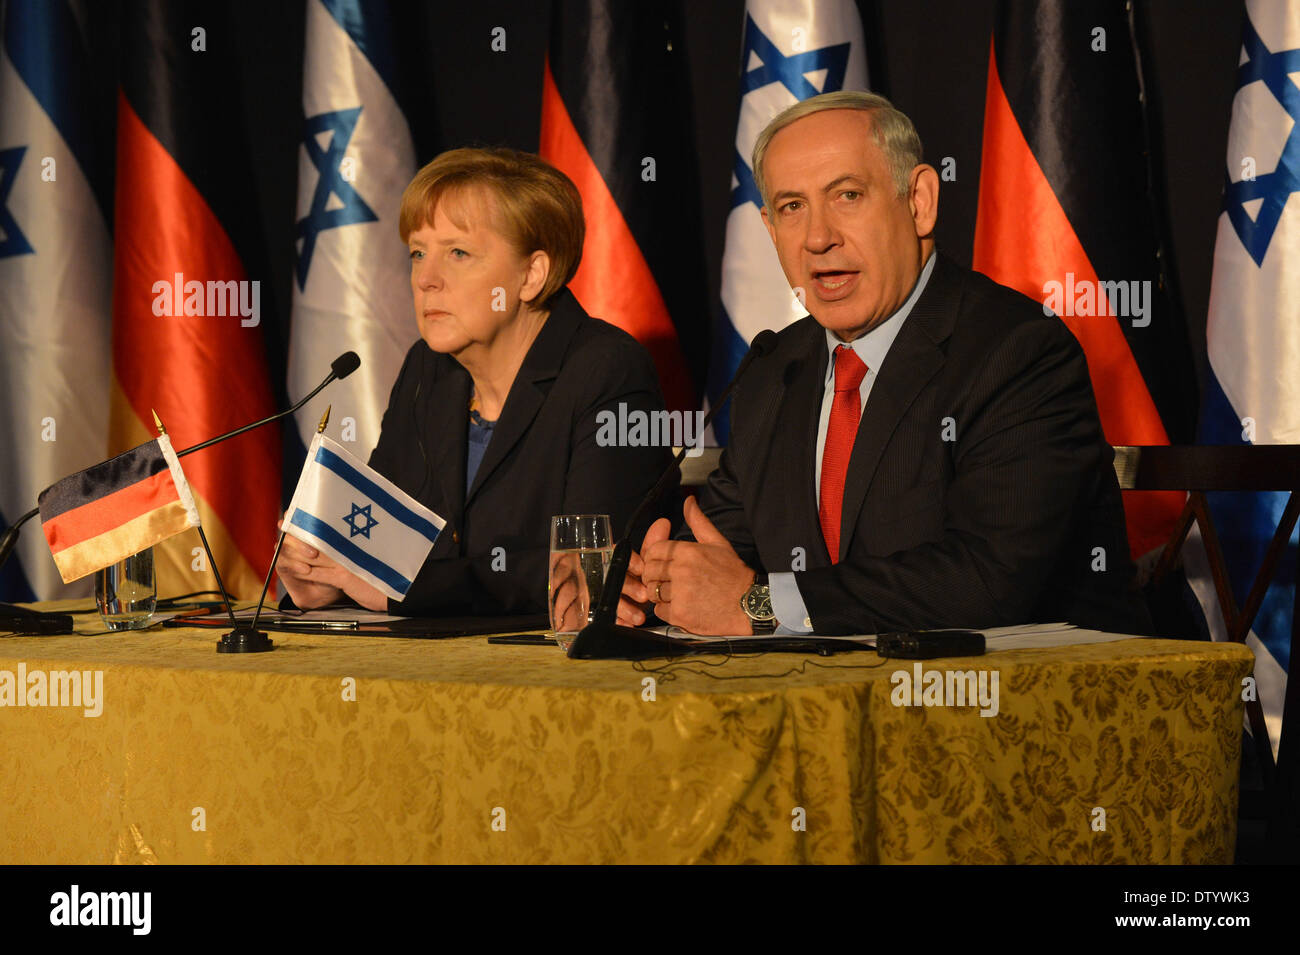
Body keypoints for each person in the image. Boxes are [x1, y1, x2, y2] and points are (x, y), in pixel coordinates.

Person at [619, 91, 1149, 637]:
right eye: (792, 207)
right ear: (770, 229)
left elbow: (989, 581)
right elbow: (722, 553)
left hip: (1026, 685)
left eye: (847, 195)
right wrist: (639, 589)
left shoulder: (1017, 350)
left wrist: (761, 603)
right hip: (825, 686)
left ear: (919, 201)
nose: (818, 238)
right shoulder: (776, 367)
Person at [277, 147, 675, 616]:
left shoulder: (606, 370)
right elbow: (380, 544)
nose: (426, 279)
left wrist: (407, 590)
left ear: (531, 275)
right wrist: (324, 576)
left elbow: (592, 571)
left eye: (458, 253)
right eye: (418, 253)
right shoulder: (428, 369)